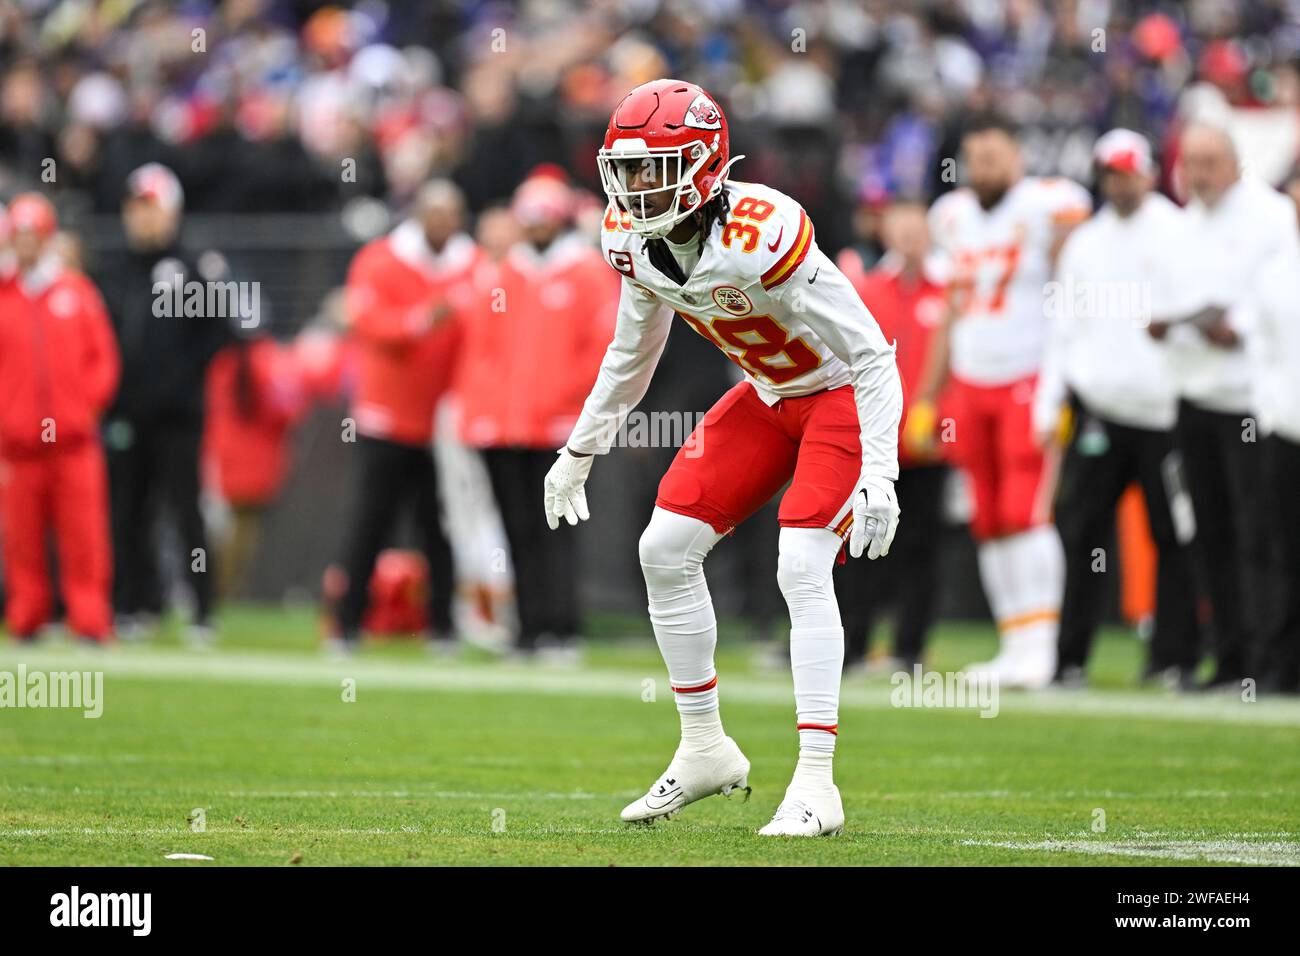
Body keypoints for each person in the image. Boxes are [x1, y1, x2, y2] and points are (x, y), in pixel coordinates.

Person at [542, 80, 902, 836]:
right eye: (628, 170)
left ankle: (816, 784)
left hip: (838, 392)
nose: (638, 187)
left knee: (801, 563)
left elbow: (871, 353)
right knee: (663, 549)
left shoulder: (762, 229)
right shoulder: (632, 239)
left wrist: (880, 472)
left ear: (704, 164)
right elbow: (632, 351)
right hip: (769, 395)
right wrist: (581, 447)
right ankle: (705, 747)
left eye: (655, 167)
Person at [919, 113, 1091, 688]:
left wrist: (1060, 385)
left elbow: (1074, 289)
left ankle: (1039, 648)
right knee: (986, 518)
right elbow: (948, 311)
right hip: (970, 379)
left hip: (1027, 374)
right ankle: (1013, 643)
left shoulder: (1049, 204)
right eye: (976, 159)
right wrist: (927, 394)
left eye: (994, 156)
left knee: (1027, 512)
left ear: (1018, 156)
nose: (984, 168)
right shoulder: (951, 216)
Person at [1034, 129, 1199, 688]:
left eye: (1126, 172)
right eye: (1109, 173)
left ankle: (1172, 658)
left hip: (1164, 412)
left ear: (1149, 173)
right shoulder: (1086, 242)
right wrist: (1050, 396)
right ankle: (1070, 658)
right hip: (1099, 408)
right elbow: (1063, 328)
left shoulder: (1179, 233)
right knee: (1081, 534)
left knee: (1173, 536)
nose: (1118, 182)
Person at [1147, 124, 1298, 689]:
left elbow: (1279, 292)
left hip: (1250, 404)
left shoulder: (1270, 217)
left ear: (1235, 163)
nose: (1199, 172)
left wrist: (1238, 328)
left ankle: (1268, 658)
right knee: (1208, 533)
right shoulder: (1182, 227)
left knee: (1257, 534)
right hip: (1194, 395)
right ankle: (1231, 656)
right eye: (1191, 161)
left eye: (1210, 160)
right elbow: (1160, 296)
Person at [456, 171, 619, 659]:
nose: (538, 227)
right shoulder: (504, 273)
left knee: (560, 530)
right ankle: (527, 629)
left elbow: (602, 350)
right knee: (518, 529)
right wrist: (480, 414)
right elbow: (480, 352)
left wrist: (564, 404)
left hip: (560, 429)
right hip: (505, 429)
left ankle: (563, 628)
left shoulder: (588, 273)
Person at [329, 180, 475, 653]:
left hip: (442, 419)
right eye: (434, 212)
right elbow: (366, 319)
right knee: (370, 523)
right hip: (386, 416)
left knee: (438, 526)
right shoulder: (380, 258)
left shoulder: (471, 264)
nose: (442, 223)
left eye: (450, 213)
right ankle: (346, 623)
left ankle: (443, 627)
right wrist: (420, 320)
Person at [97, 163, 232, 644]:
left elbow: (220, 332)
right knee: (127, 512)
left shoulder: (193, 268)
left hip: (177, 415)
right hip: (126, 414)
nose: (142, 219)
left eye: (151, 208)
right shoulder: (114, 271)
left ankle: (201, 609)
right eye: (136, 209)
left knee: (184, 511)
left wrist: (178, 382)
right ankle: (135, 603)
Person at [835, 200, 950, 674]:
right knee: (859, 546)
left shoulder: (948, 293)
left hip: (927, 446)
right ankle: (853, 645)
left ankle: (909, 649)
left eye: (915, 228)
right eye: (899, 227)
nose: (907, 236)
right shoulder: (867, 291)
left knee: (920, 549)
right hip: (875, 445)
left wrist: (942, 420)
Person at [0, 193, 119, 643]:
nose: (26, 245)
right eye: (20, 236)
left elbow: (102, 360)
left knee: (84, 538)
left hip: (72, 442)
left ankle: (89, 618)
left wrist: (83, 409)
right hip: (18, 444)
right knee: (21, 541)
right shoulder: (5, 295)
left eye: (34, 235)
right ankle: (27, 616)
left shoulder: (76, 292)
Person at [1224, 173, 1300, 694]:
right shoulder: (1275, 272)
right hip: (1287, 430)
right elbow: (1259, 353)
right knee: (1281, 552)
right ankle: (1280, 665)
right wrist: (1271, 414)